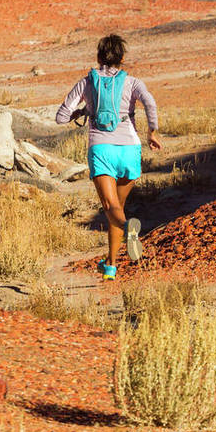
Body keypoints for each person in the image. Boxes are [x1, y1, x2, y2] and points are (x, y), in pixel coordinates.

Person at [55, 34, 161, 281]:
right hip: (130, 149)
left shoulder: (86, 82)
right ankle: (111, 267)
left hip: (102, 149)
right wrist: (152, 132)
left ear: (98, 57)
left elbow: (60, 117)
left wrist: (82, 112)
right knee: (117, 208)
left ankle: (128, 230)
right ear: (122, 59)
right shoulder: (133, 82)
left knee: (111, 208)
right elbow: (151, 104)